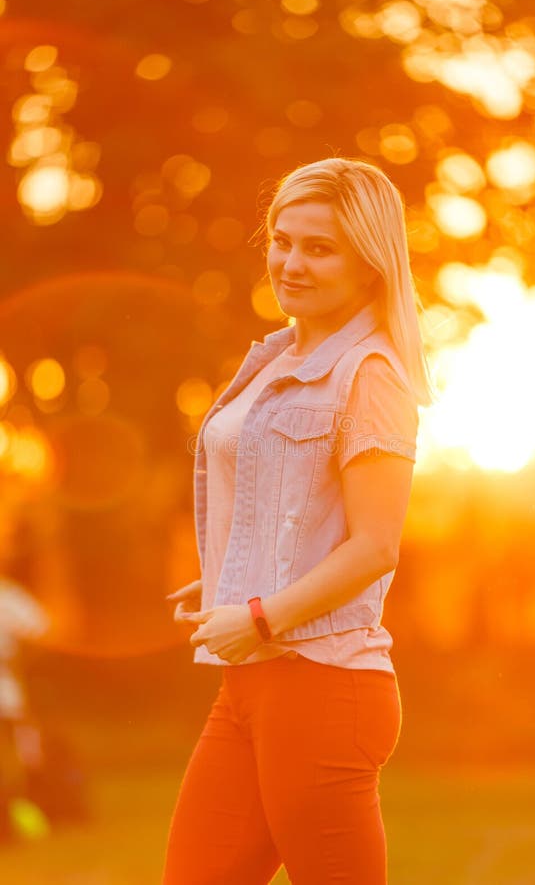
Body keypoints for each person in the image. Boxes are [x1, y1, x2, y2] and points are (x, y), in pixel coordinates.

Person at [162, 156, 435, 884]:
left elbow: (375, 546)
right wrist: (229, 576)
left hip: (324, 685)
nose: (291, 262)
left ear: (370, 265)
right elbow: (287, 510)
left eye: (320, 247)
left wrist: (257, 613)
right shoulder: (275, 357)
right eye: (282, 241)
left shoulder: (370, 376)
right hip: (252, 682)